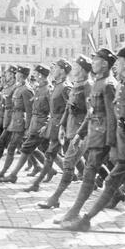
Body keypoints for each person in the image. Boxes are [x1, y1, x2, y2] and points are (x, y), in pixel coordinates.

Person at [57, 48, 118, 227]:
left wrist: (112, 145)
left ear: (105, 63)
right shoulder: (98, 82)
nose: (93, 63)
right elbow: (91, 113)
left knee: (92, 176)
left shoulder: (108, 85)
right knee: (90, 176)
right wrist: (80, 134)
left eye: (96, 60)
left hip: (103, 139)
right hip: (94, 136)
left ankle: (76, 214)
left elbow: (112, 118)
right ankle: (74, 213)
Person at [38, 55, 93, 209]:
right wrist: (62, 126)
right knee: (90, 165)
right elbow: (69, 108)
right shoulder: (76, 85)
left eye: (75, 67)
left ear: (82, 69)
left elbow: (90, 113)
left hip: (82, 132)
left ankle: (55, 198)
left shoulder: (88, 86)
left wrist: (80, 134)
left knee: (68, 163)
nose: (73, 69)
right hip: (70, 129)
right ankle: (116, 194)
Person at [24, 59, 72, 192]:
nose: (53, 70)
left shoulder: (66, 87)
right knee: (52, 154)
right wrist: (48, 124)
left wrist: (63, 126)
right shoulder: (58, 85)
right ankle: (38, 183)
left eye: (56, 67)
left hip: (62, 127)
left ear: (62, 70)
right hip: (54, 124)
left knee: (57, 155)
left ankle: (37, 183)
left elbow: (70, 109)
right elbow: (53, 110)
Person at [0, 65, 52, 184]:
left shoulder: (47, 89)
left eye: (37, 74)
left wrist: (30, 127)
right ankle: (51, 170)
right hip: (34, 123)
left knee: (27, 148)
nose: (35, 77)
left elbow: (35, 110)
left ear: (40, 75)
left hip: (40, 124)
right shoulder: (37, 88)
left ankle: (13, 174)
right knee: (43, 149)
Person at [0, 66, 34, 181]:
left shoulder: (26, 90)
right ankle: (39, 166)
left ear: (21, 75)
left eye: (18, 74)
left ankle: (3, 173)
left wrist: (28, 128)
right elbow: (9, 101)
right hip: (12, 120)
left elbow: (29, 111)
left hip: (20, 122)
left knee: (11, 148)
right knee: (8, 144)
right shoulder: (18, 87)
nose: (16, 75)